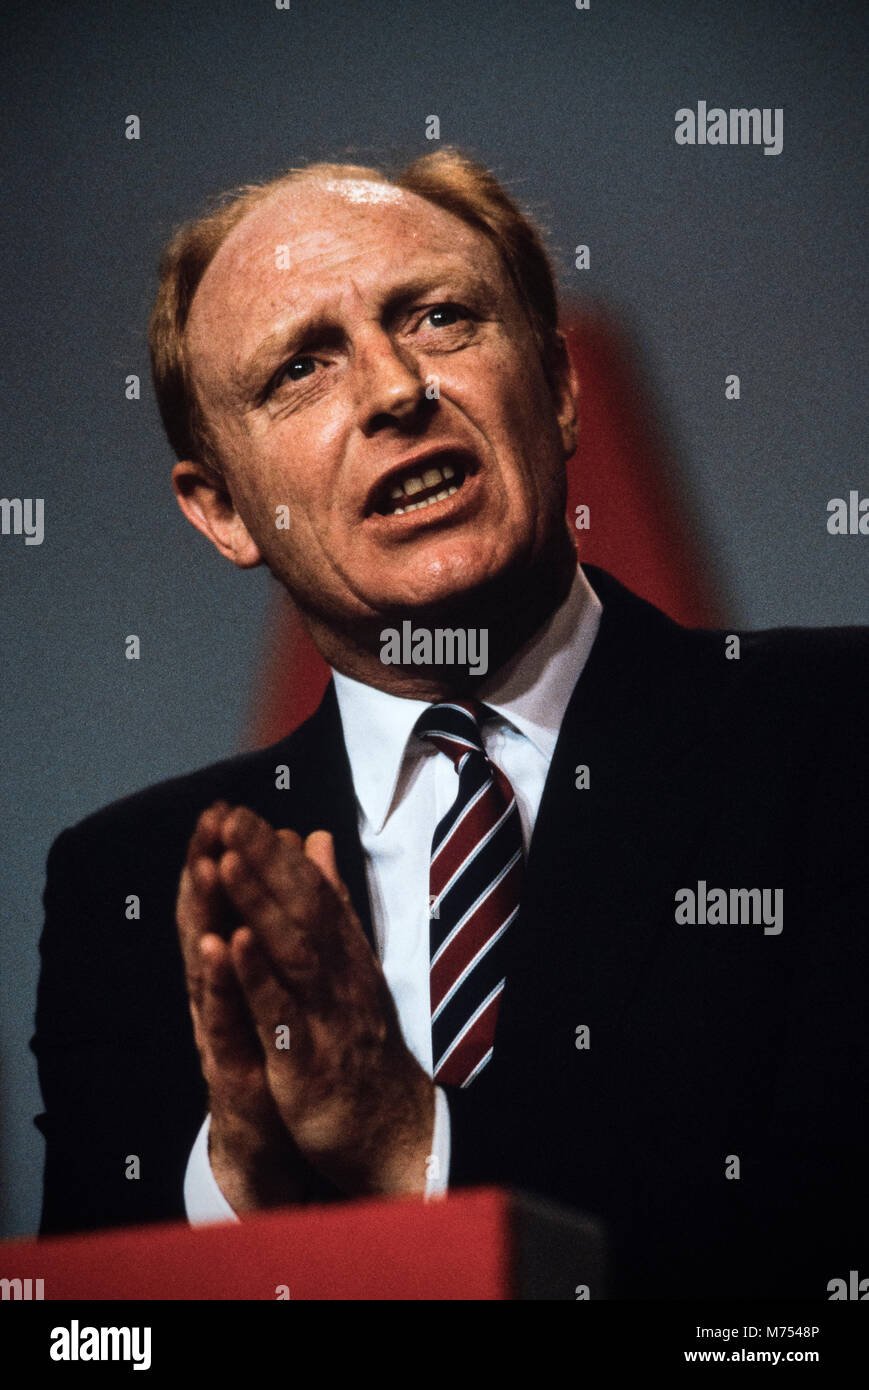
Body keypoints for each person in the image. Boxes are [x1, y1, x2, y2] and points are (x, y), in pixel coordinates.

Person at [33, 148, 868, 1298]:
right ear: (222, 509)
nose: (394, 390)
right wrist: (237, 1180)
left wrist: (405, 1143)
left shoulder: (832, 738)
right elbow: (85, 1336)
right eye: (301, 368)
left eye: (437, 318)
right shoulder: (125, 886)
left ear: (559, 387)